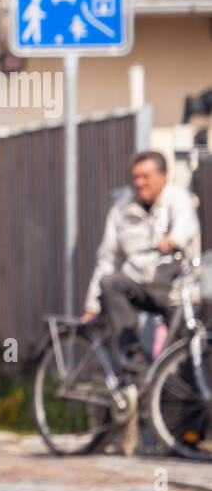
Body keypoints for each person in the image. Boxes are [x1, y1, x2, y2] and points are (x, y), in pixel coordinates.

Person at [82, 150, 200, 373]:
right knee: (110, 282)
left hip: (173, 291)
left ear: (163, 177)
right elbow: (108, 259)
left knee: (181, 361)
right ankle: (133, 358)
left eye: (145, 177)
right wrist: (92, 305)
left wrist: (173, 239)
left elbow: (186, 224)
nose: (139, 183)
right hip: (139, 287)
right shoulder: (122, 208)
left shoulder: (177, 198)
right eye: (135, 177)